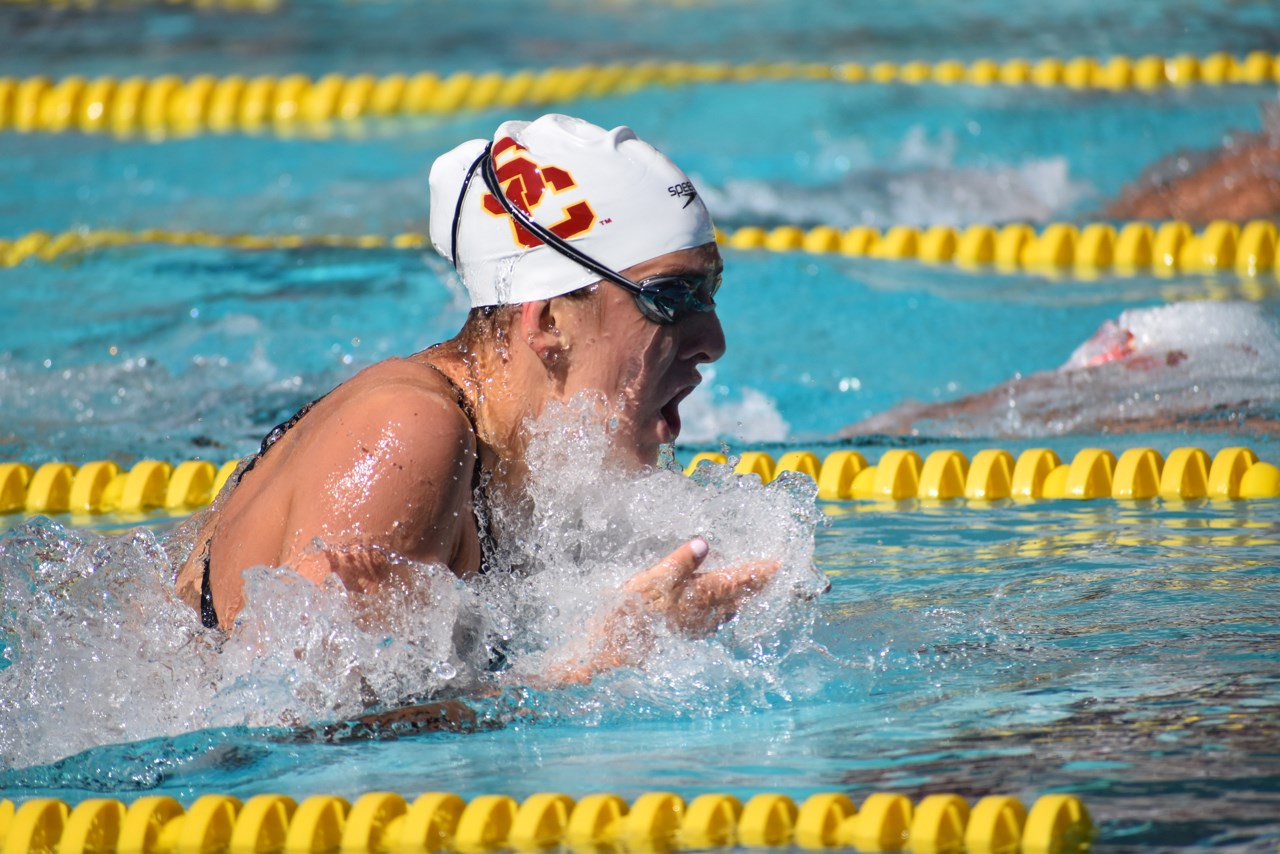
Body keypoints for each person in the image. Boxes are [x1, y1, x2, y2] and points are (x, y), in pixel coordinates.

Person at [175, 114, 777, 681]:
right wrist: (601, 662)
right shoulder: (408, 437)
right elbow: (298, 737)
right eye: (671, 298)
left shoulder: (522, 463)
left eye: (711, 291)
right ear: (547, 324)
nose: (713, 341)